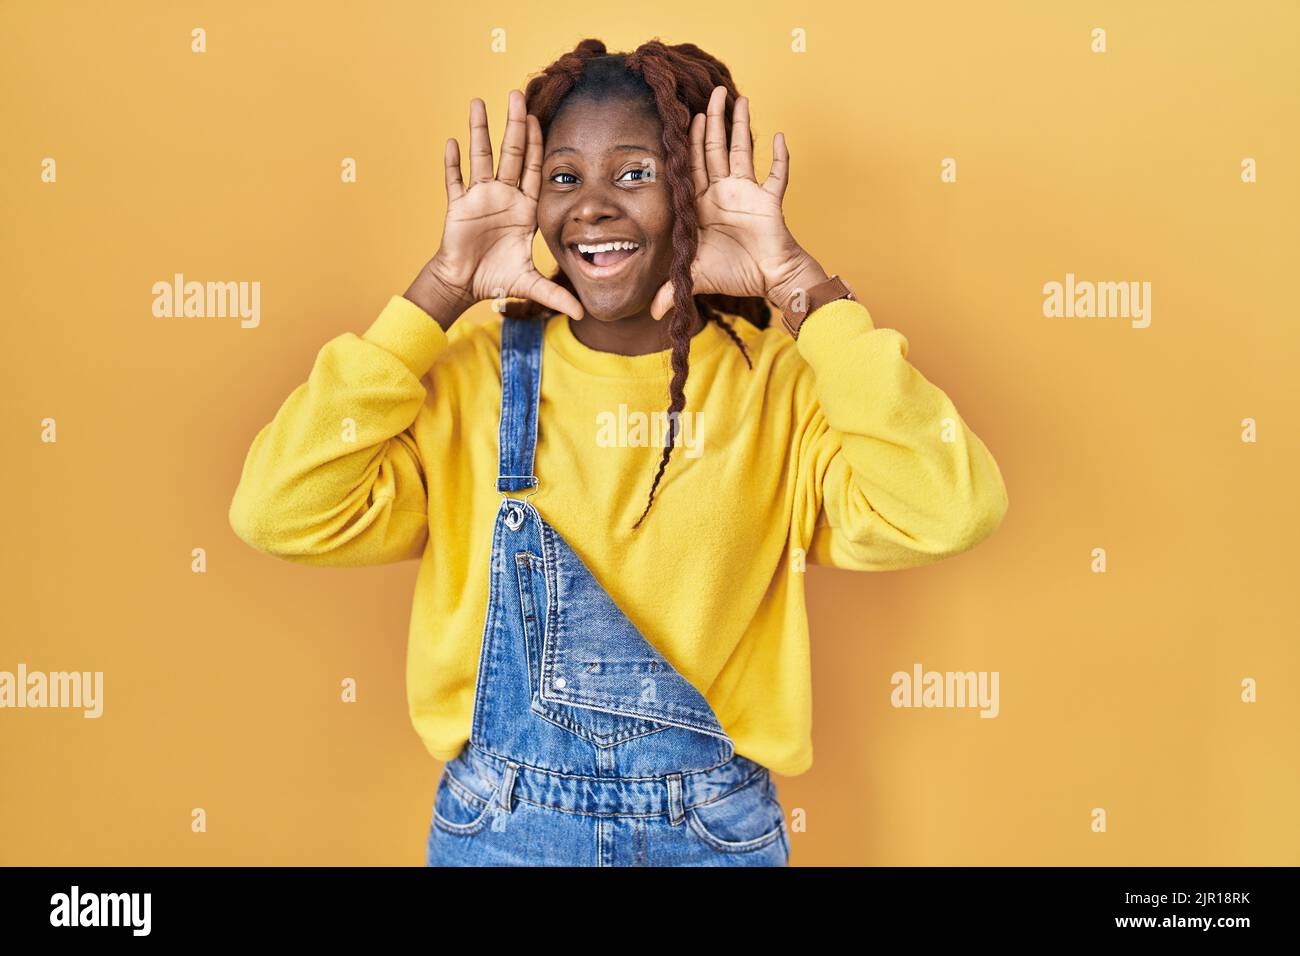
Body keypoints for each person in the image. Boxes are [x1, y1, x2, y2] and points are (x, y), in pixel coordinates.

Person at [228, 38, 1010, 866]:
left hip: (713, 831)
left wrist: (800, 288)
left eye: (634, 173)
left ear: (695, 195)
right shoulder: (470, 381)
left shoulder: (782, 385)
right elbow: (277, 509)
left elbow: (950, 508)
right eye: (565, 178)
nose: (593, 206)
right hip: (501, 827)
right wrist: (440, 290)